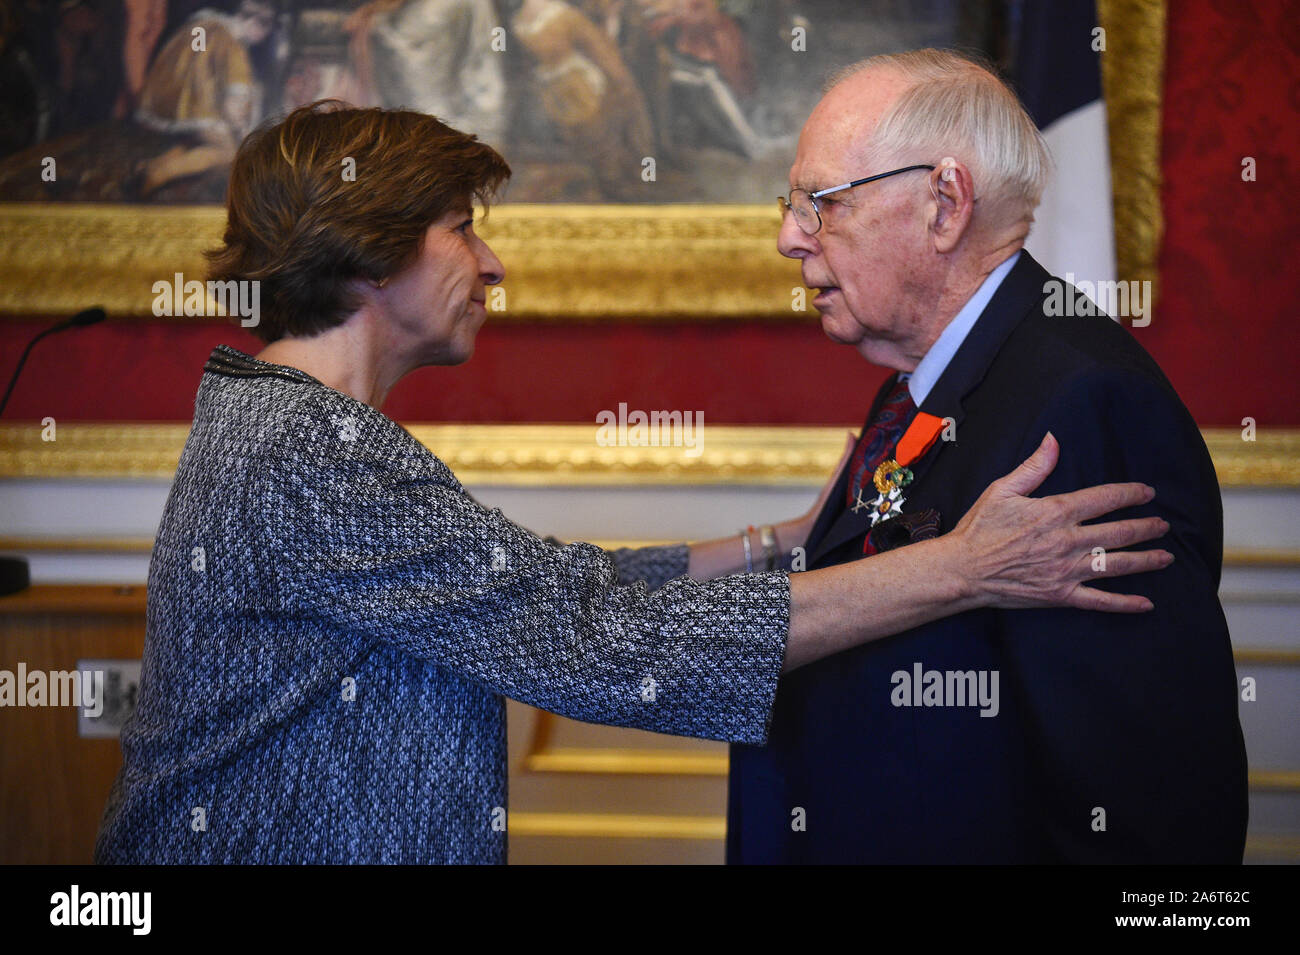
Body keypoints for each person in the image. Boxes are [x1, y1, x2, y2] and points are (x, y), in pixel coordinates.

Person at [94, 101, 1171, 865]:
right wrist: (964, 567)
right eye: (464, 228)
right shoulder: (309, 456)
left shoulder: (288, 428)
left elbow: (545, 590)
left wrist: (781, 541)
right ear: (370, 255)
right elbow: (599, 648)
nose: (494, 264)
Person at [727, 49, 1249, 864]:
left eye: (819, 202)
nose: (788, 237)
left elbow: (1146, 803)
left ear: (944, 203)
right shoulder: (927, 375)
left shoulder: (1082, 405)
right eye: (793, 204)